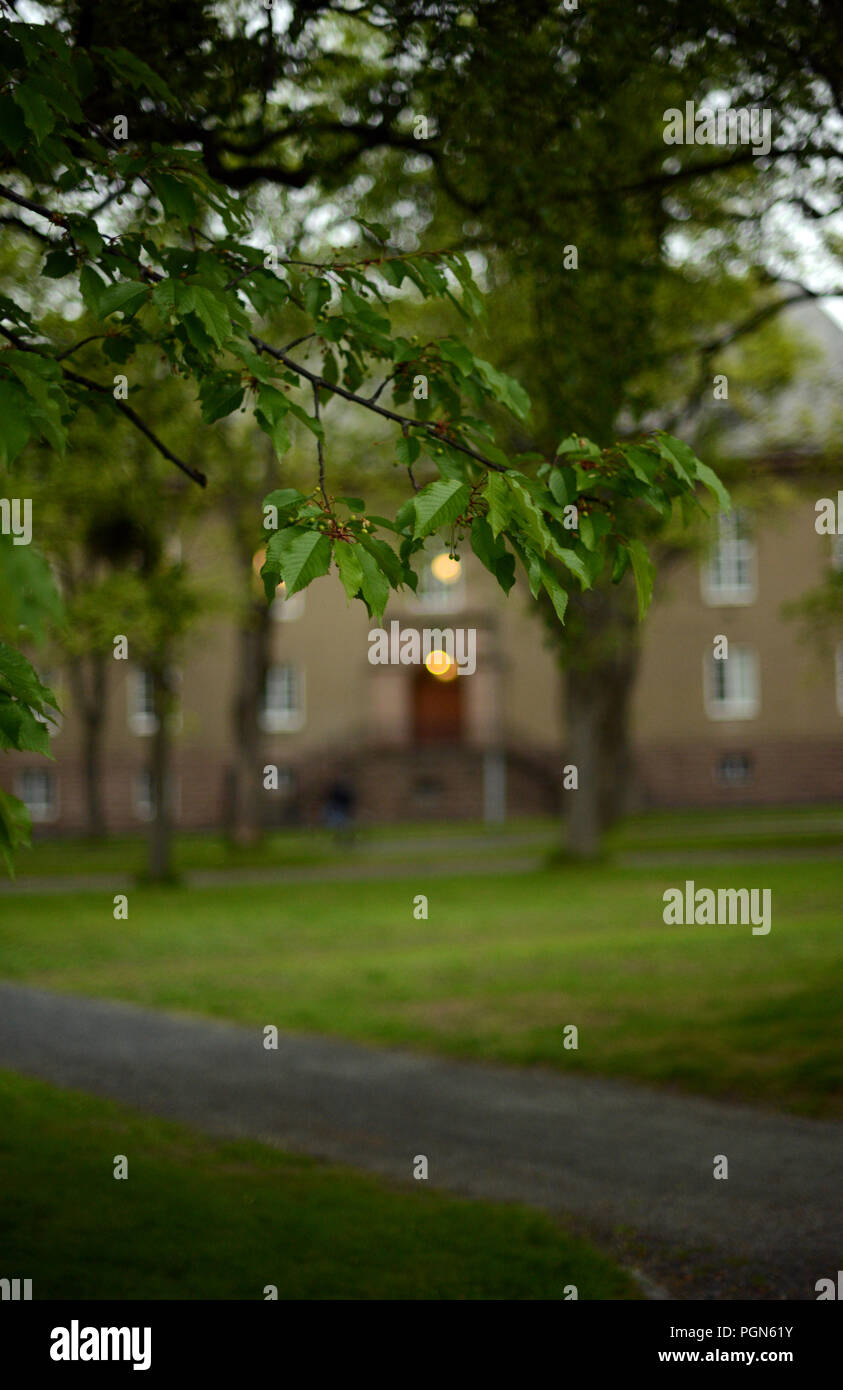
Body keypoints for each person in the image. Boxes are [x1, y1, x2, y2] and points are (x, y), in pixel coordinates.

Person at [323, 779, 356, 845]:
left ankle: (346, 840)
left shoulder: (341, 793)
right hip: (339, 810)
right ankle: (342, 840)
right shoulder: (342, 793)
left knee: (342, 826)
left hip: (340, 810)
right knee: (341, 826)